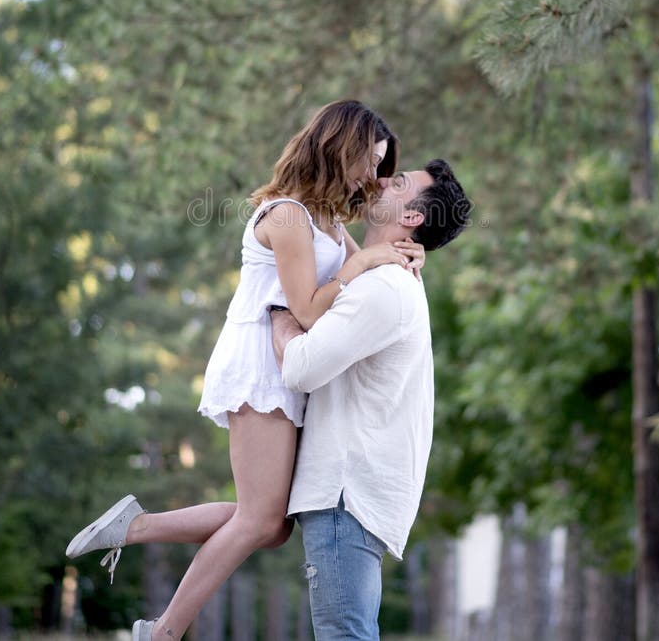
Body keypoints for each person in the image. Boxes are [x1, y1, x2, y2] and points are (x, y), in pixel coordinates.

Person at [65, 100, 425, 641]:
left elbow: (359, 276)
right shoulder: (286, 214)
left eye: (380, 164)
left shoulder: (326, 220)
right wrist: (363, 263)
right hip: (261, 362)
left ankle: (135, 527)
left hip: (289, 362)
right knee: (261, 520)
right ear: (338, 149)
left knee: (273, 524)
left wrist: (401, 255)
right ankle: (161, 632)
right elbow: (307, 307)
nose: (373, 176)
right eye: (369, 161)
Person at [269, 159, 471, 641]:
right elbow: (344, 256)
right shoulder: (385, 278)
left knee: (346, 636)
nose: (382, 181)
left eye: (398, 183)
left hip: (346, 493)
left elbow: (299, 367)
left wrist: (278, 314)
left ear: (413, 218)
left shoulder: (383, 287)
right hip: (355, 493)